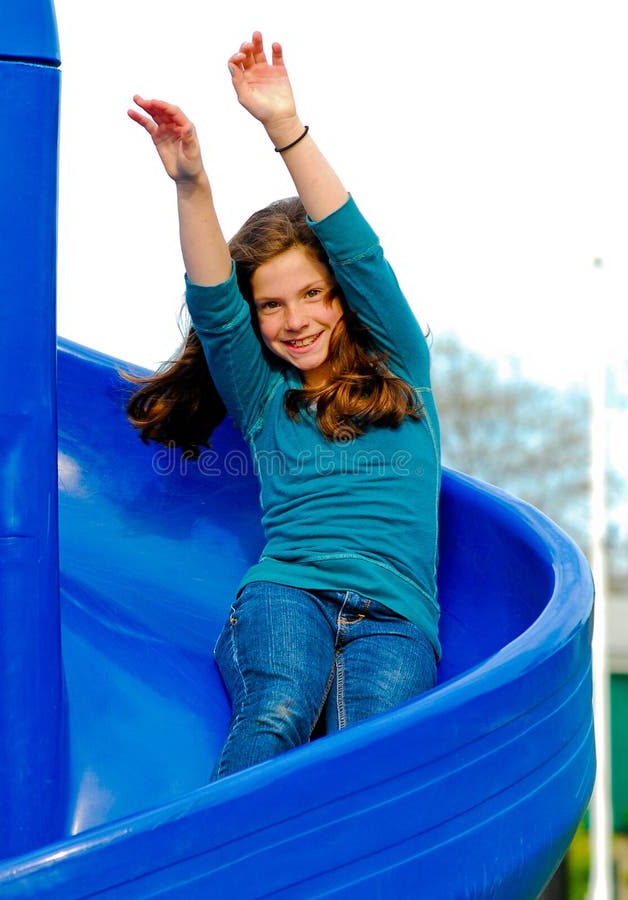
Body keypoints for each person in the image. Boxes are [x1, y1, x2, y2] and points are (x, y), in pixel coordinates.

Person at [126, 31, 441, 780]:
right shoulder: (267, 394)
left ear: (342, 298)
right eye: (271, 305)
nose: (294, 319)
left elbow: (358, 249)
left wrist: (284, 129)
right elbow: (214, 305)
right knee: (278, 712)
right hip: (288, 594)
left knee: (369, 757)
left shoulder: (403, 365)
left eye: (312, 295)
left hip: (394, 619)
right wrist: (191, 183)